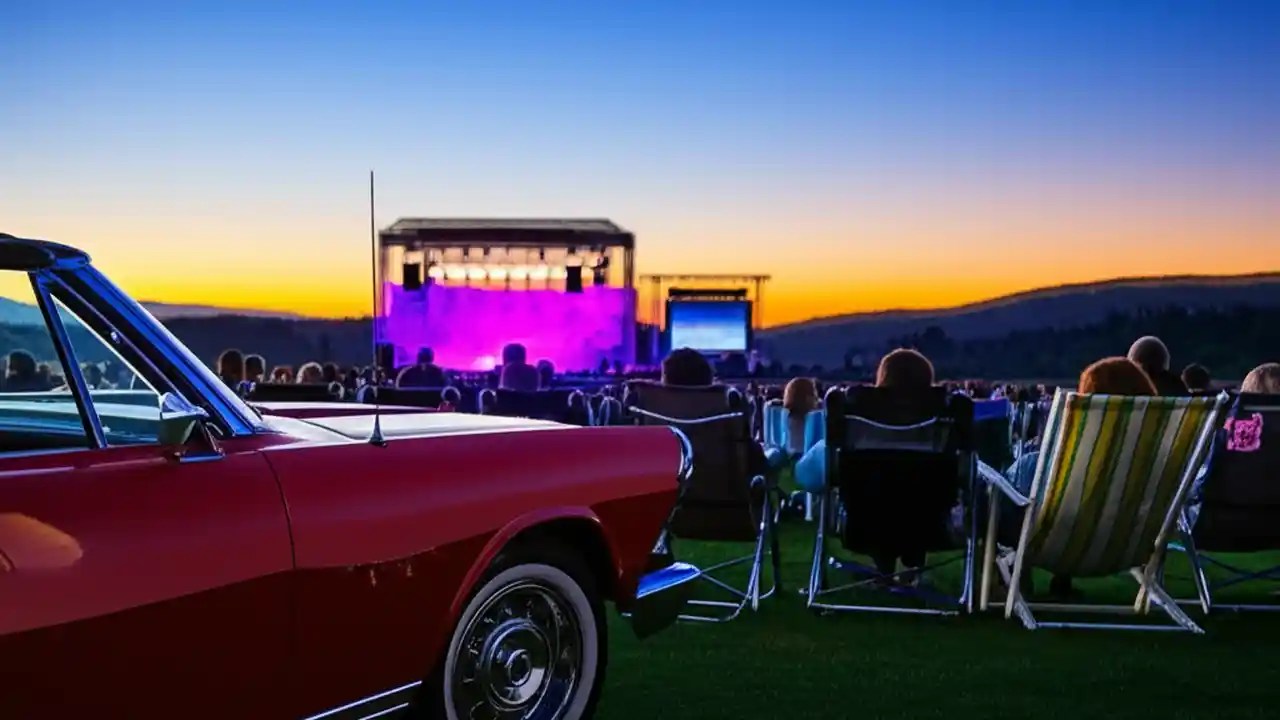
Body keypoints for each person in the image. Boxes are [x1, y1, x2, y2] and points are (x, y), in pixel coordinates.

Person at [1000, 356, 1157, 598]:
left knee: (1003, 495)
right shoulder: (1156, 456)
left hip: (1057, 542)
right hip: (1128, 547)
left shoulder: (1064, 462)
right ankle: (1057, 584)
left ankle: (1012, 585)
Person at [793, 348, 937, 580]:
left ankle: (885, 565)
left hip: (861, 520)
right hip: (931, 522)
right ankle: (913, 562)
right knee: (910, 496)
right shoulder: (940, 421)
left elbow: (806, 476)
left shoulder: (858, 413)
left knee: (876, 494)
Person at [782, 377, 819, 455]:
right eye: (814, 395)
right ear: (807, 397)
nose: (817, 400)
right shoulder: (813, 421)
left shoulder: (785, 417)